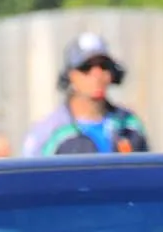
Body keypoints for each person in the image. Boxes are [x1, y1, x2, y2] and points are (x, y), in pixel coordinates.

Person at [21, 32, 151, 156]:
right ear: (71, 75)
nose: (97, 75)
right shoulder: (49, 133)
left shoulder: (129, 124)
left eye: (104, 66)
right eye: (86, 67)